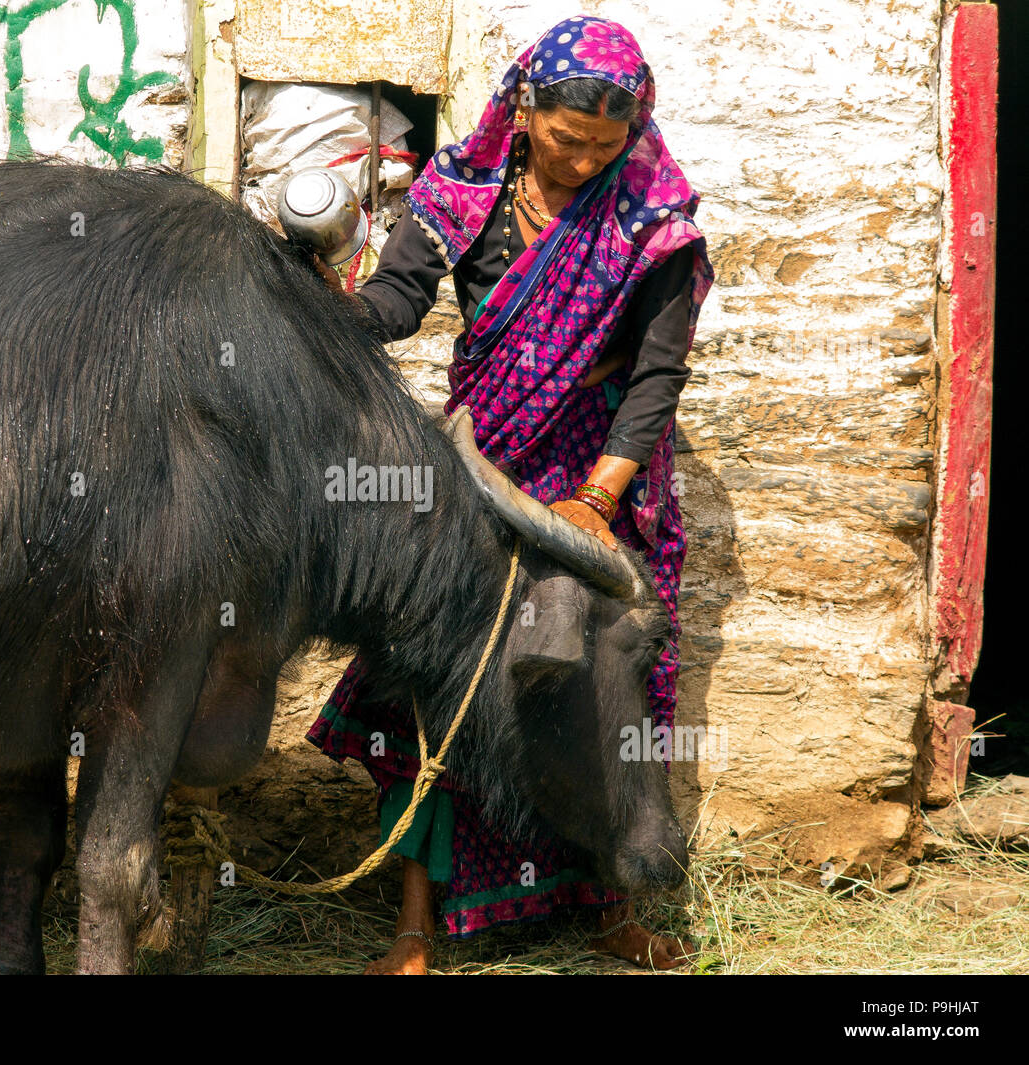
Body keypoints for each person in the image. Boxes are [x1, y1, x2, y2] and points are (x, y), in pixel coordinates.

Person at [308, 14, 715, 975]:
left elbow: (656, 378)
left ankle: (614, 906)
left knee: (608, 687)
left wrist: (599, 500)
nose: (582, 162)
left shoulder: (654, 221)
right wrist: (328, 310)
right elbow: (399, 302)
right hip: (482, 465)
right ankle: (415, 926)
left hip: (597, 479)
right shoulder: (465, 187)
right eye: (567, 141)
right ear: (525, 110)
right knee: (432, 682)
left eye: (605, 147)